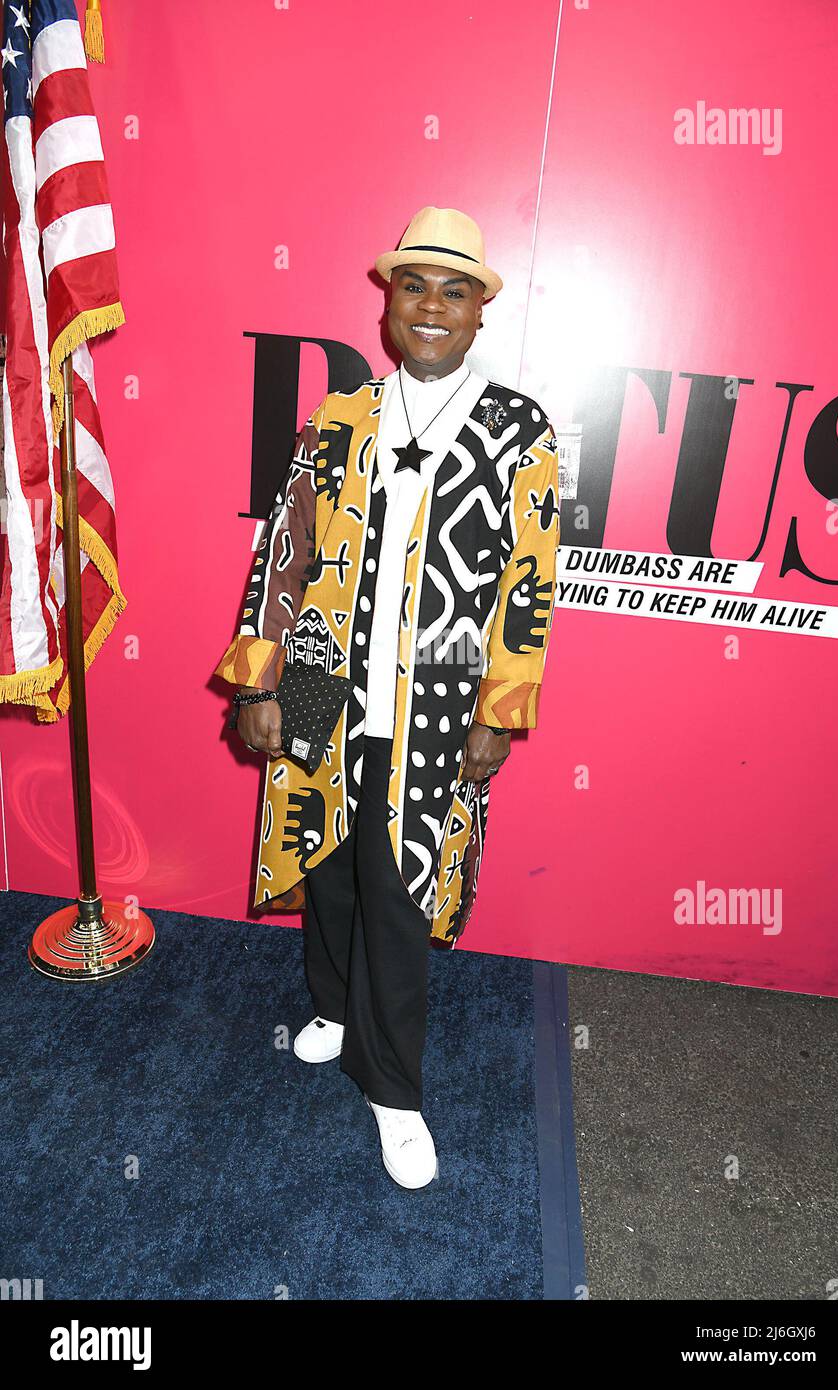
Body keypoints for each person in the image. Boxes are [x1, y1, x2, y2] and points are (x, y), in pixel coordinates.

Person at [214, 206, 561, 1189]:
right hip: (324, 672)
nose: (431, 307)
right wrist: (260, 674)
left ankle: (393, 1087)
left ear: (479, 313)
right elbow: (280, 553)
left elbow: (529, 580)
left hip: (442, 690)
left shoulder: (517, 429)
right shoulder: (336, 420)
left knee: (399, 885)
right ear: (389, 302)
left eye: (454, 291)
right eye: (415, 286)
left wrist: (499, 706)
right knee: (326, 861)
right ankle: (328, 1002)